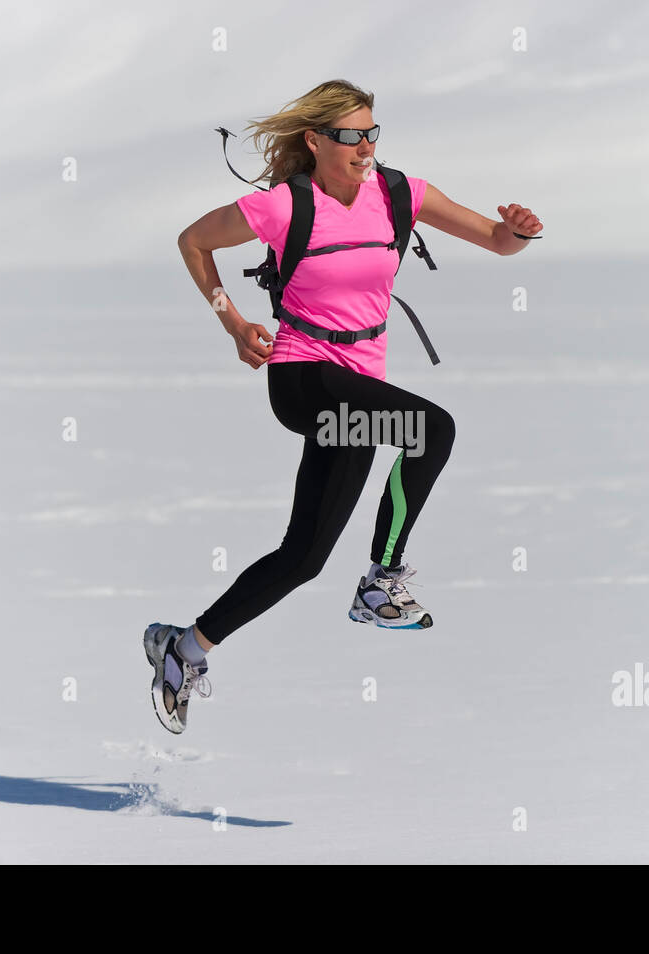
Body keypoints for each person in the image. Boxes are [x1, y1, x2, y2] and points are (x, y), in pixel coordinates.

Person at [146, 79, 543, 734]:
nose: (365, 147)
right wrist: (233, 323)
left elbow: (497, 241)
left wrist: (519, 232)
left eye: (372, 133)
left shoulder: (400, 196)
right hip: (304, 378)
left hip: (358, 384)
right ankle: (382, 582)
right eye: (351, 136)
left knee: (303, 558)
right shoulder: (281, 206)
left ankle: (183, 647)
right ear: (315, 141)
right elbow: (194, 241)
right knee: (429, 428)